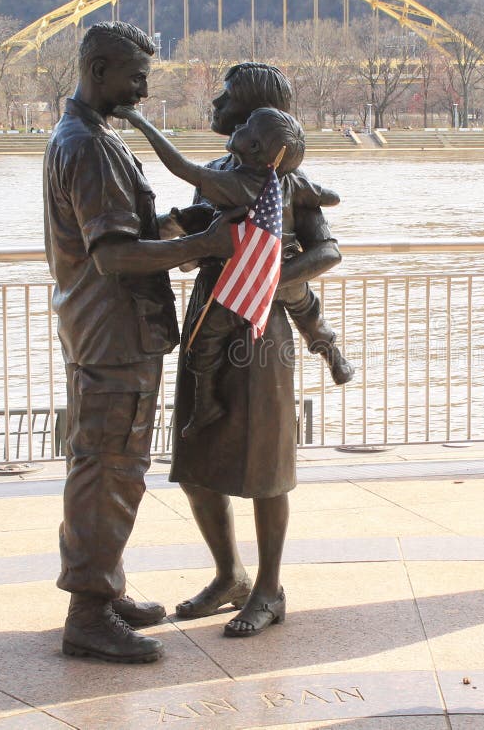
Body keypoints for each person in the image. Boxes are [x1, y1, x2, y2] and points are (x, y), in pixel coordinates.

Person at [44, 21, 238, 663]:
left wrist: (176, 224)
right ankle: (89, 612)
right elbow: (114, 256)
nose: (144, 91)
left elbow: (122, 233)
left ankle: (103, 587)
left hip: (102, 331)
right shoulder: (91, 147)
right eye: (136, 77)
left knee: (103, 465)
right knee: (110, 469)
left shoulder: (84, 136)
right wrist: (202, 244)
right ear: (99, 71)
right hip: (115, 335)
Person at [168, 63, 345, 636]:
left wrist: (267, 277)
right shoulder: (216, 173)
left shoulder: (287, 179)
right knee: (195, 460)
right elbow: (201, 239)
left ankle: (270, 589)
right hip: (208, 313)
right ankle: (229, 576)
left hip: (261, 329)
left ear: (255, 117)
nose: (215, 103)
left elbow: (327, 250)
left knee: (267, 467)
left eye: (225, 96)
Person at [112, 103, 339, 437]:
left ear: (255, 147)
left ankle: (206, 403)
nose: (236, 125)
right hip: (280, 268)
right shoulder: (289, 182)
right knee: (307, 308)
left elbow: (180, 166)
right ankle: (332, 353)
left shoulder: (235, 184)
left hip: (246, 281)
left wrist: (140, 122)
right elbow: (326, 195)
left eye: (246, 124)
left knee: (203, 340)